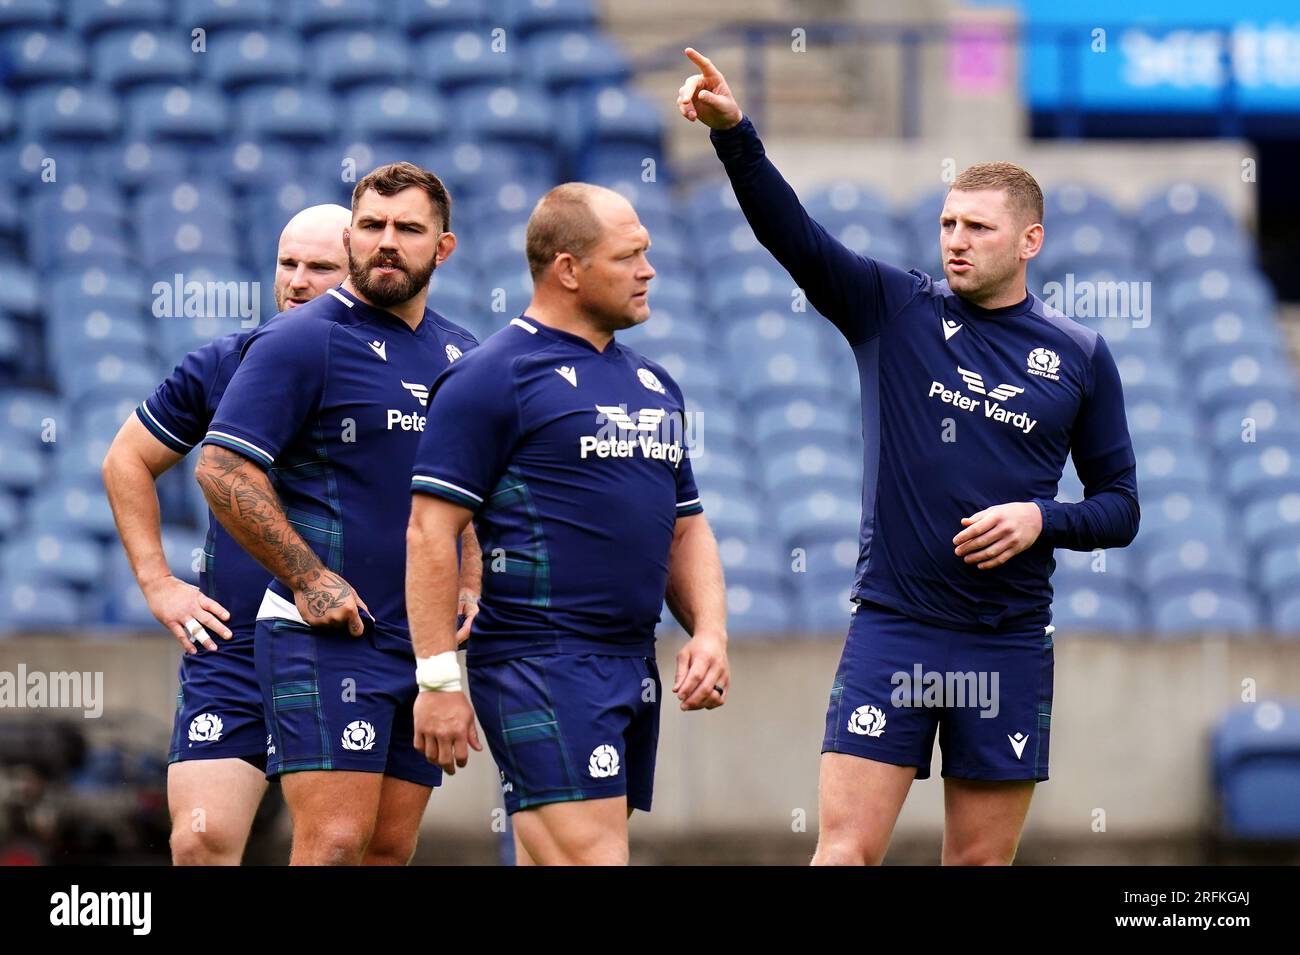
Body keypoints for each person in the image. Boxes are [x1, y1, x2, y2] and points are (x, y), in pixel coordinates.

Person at [677, 49, 1139, 865]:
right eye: (948, 225)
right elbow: (796, 239)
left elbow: (1121, 505)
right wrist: (735, 136)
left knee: (977, 863)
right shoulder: (896, 308)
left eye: (978, 228)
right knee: (845, 853)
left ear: (1030, 240)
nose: (956, 242)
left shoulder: (1079, 353)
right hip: (895, 628)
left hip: (1006, 639)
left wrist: (1043, 518)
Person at [405, 183, 730, 865]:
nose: (649, 271)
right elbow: (430, 532)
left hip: (628, 660)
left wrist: (709, 629)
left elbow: (685, 526)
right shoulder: (492, 377)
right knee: (591, 858)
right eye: (630, 256)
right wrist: (436, 679)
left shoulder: (654, 384)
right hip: (540, 657)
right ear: (568, 269)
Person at [195, 163, 479, 865]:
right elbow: (222, 466)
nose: (387, 242)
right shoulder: (302, 338)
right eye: (372, 226)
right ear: (351, 237)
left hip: (419, 641)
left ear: (442, 248)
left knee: (387, 848)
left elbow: (470, 498)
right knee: (335, 845)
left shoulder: (463, 354)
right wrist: (308, 576)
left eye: (407, 228)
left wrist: (471, 578)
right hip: (322, 634)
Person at [104, 203, 351, 865]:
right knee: (200, 838)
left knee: (339, 848)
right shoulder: (226, 362)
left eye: (320, 267)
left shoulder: (400, 376)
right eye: (287, 264)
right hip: (233, 642)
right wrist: (158, 583)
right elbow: (126, 460)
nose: (297, 280)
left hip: (349, 644)